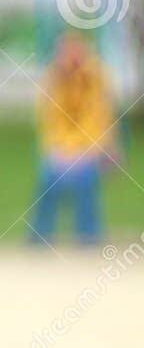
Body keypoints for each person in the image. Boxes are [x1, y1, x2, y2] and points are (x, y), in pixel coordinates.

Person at [29, 31, 120, 246]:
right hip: (61, 148)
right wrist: (59, 150)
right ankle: (39, 238)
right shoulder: (52, 79)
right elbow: (48, 121)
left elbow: (101, 118)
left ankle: (88, 237)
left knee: (84, 179)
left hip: (91, 147)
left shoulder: (95, 76)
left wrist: (89, 150)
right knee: (47, 177)